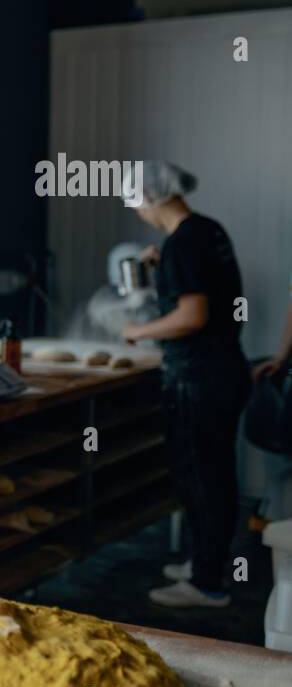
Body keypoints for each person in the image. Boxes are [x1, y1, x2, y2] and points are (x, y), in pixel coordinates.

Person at [123, 162, 251, 608]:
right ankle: (205, 561)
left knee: (201, 478)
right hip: (225, 368)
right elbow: (211, 291)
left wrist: (135, 332)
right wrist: (163, 263)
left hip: (198, 378)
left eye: (135, 202)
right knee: (214, 473)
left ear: (150, 198)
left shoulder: (182, 243)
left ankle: (208, 583)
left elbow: (192, 316)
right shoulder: (206, 230)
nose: (138, 212)